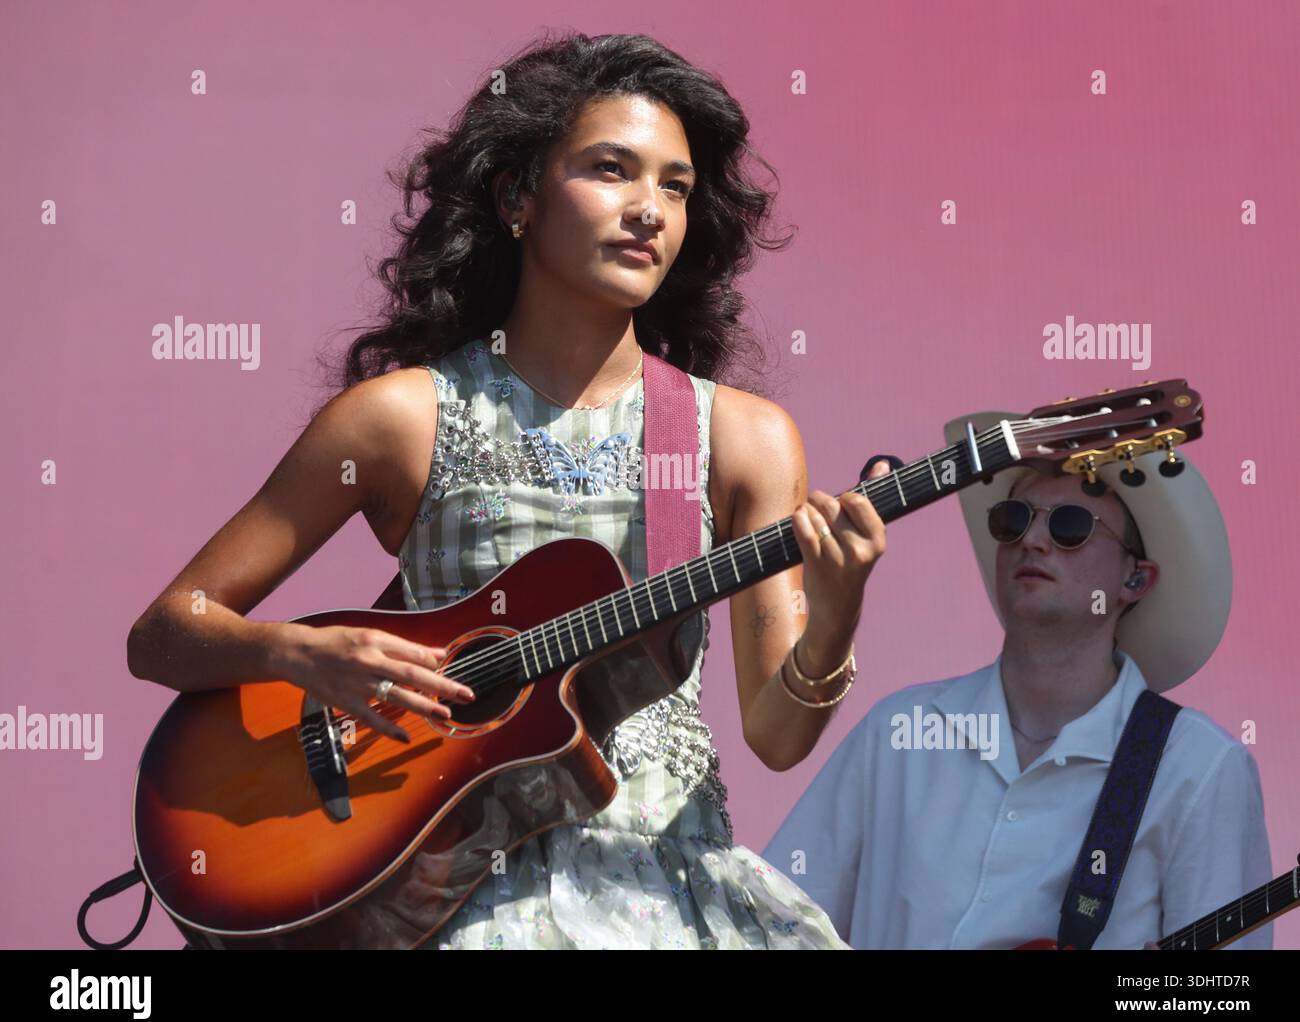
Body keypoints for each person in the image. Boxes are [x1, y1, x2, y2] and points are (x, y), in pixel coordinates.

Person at [126, 31, 892, 949]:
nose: (649, 209)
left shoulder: (742, 436)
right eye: (612, 170)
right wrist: (303, 658)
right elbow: (166, 631)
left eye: (676, 186)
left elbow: (775, 736)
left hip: (663, 882)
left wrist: (837, 614)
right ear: (518, 197)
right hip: (443, 899)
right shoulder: (399, 420)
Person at [763, 409, 1273, 949]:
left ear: (1134, 578)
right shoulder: (898, 731)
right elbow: (771, 927)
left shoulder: (1199, 769)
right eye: (1013, 520)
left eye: (1069, 526)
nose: (1032, 540)